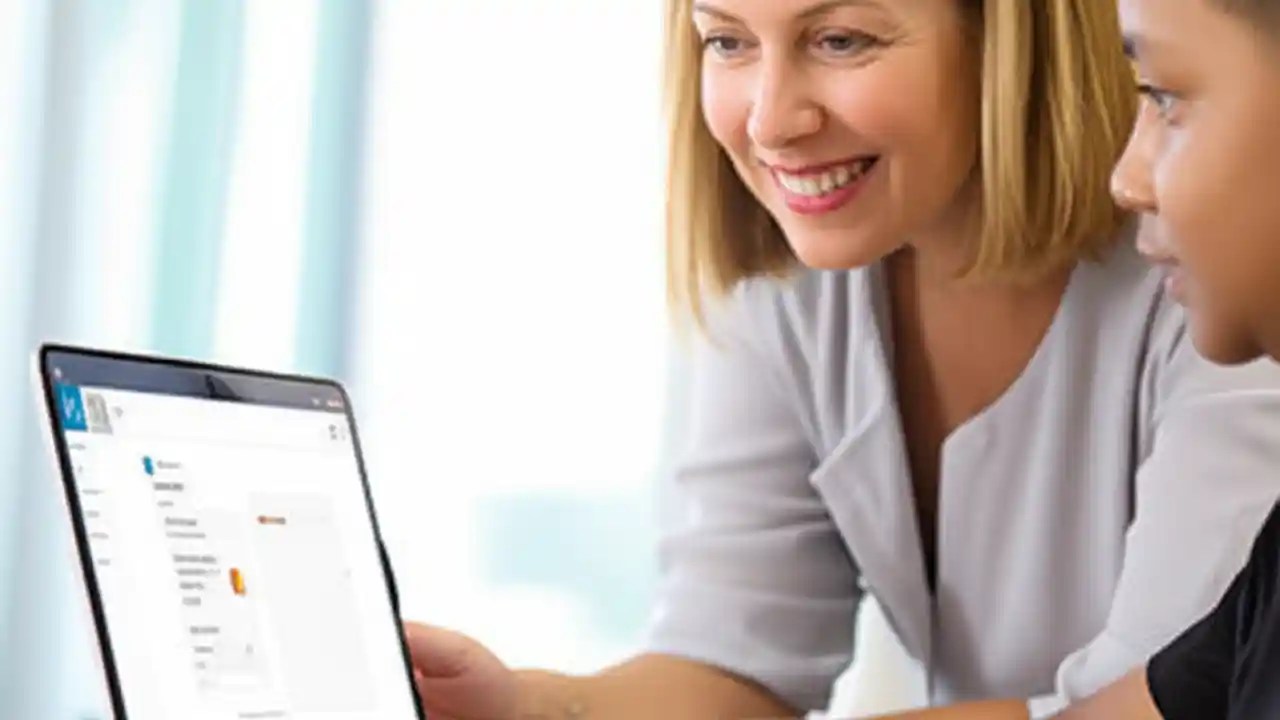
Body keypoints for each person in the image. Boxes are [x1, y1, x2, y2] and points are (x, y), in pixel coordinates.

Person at [403, 1, 1280, 718]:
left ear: (1007, 38)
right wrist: (526, 708)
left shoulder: (1223, 279)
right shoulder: (804, 264)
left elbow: (1160, 706)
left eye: (840, 40)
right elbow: (734, 663)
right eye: (727, 42)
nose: (772, 122)